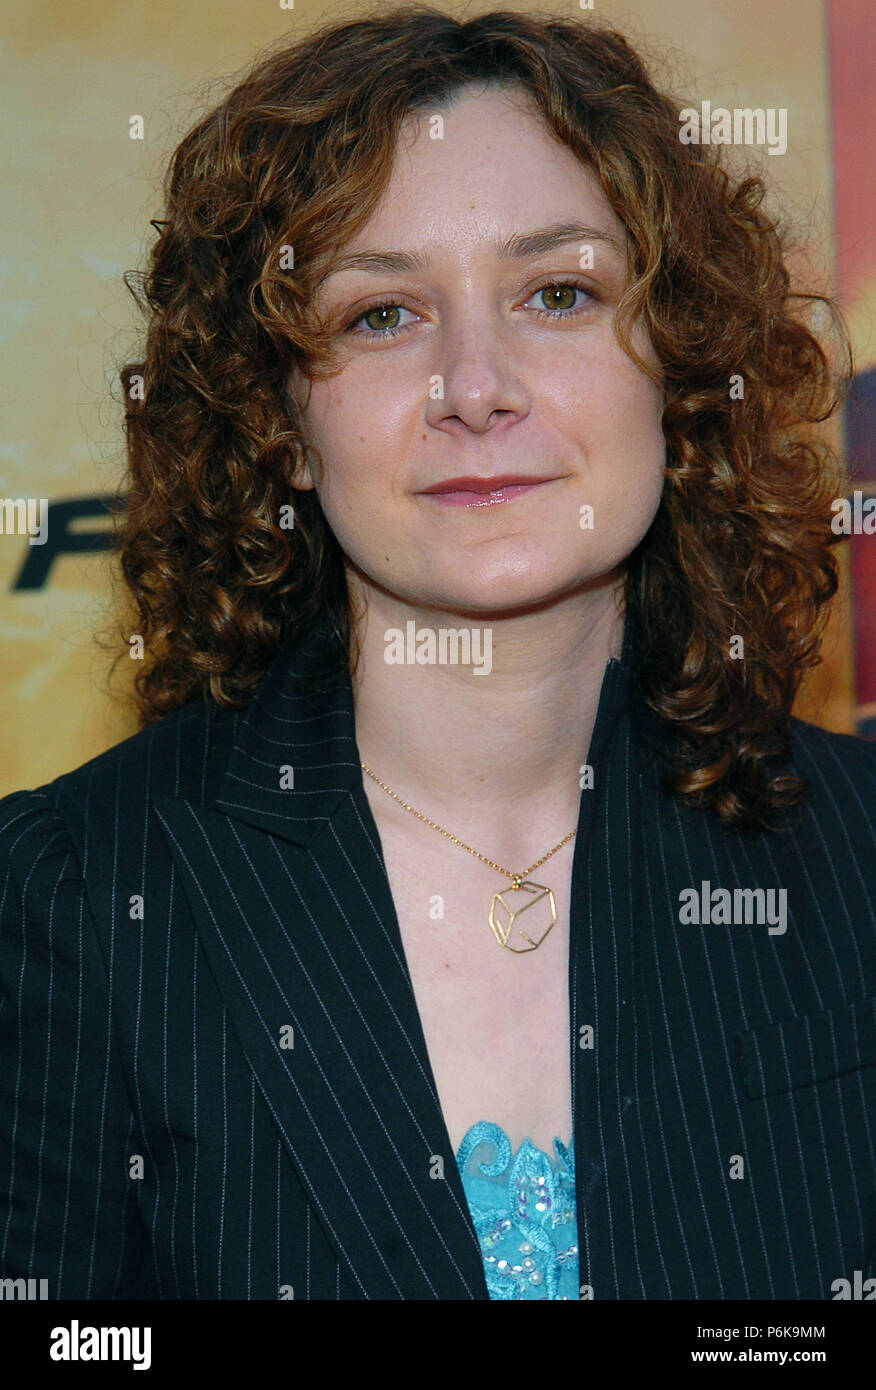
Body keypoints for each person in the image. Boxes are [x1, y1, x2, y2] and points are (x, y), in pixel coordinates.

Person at [1, 5, 874, 1302]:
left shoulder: (857, 851)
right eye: (382, 314)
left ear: (678, 373)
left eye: (560, 292)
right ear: (281, 421)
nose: (478, 382)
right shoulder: (76, 894)